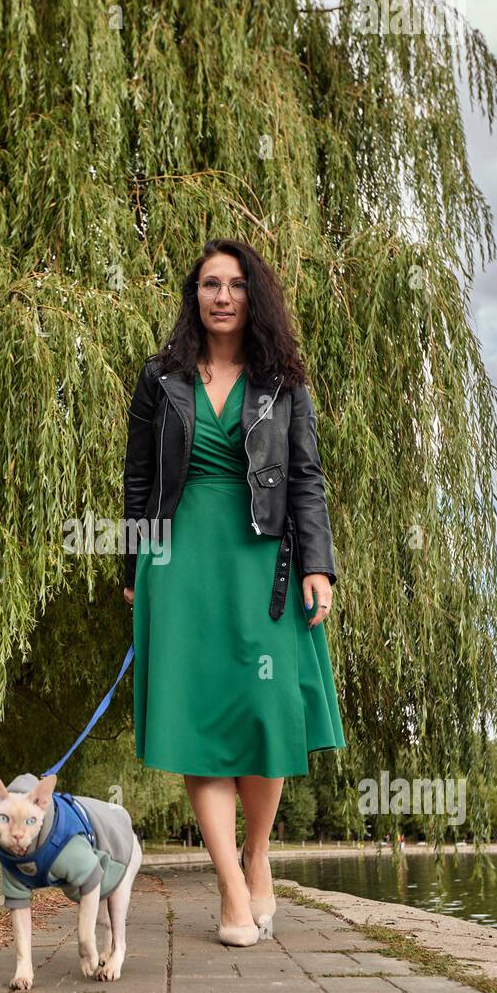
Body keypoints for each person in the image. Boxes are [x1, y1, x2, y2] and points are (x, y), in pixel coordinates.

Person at [122, 238, 346, 947]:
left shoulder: (284, 382)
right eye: (210, 284)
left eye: (237, 284)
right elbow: (137, 480)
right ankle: (229, 888)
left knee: (267, 712)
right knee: (199, 718)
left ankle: (257, 853)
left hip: (264, 557)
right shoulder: (161, 378)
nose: (222, 295)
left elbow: (306, 477)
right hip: (181, 560)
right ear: (195, 296)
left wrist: (319, 565)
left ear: (256, 297)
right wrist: (133, 567)